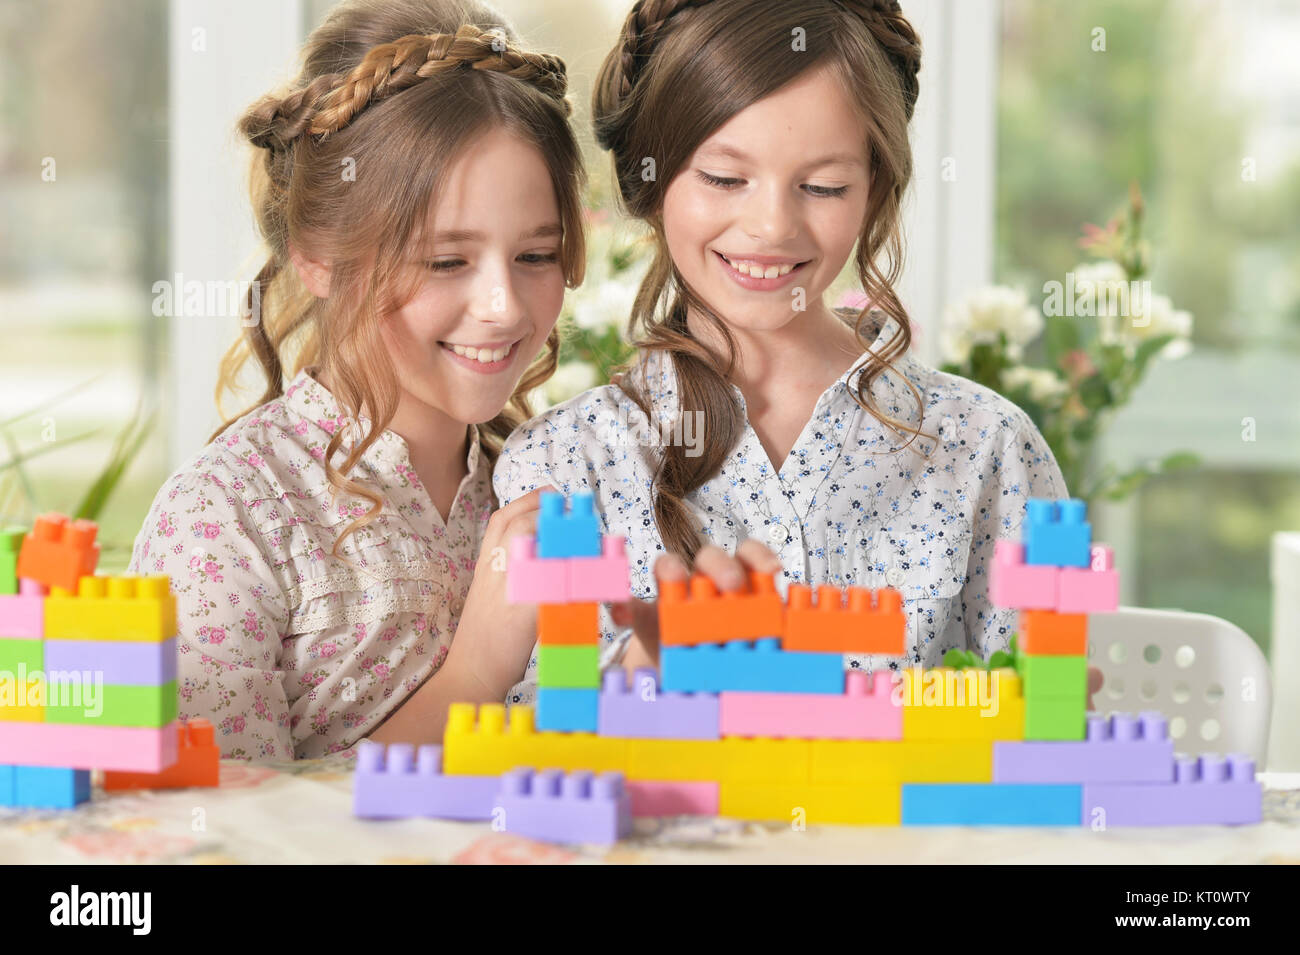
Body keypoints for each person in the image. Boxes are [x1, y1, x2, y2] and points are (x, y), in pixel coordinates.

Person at [494, 0, 1071, 704]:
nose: (771, 225)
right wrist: (642, 668)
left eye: (823, 186)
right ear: (650, 179)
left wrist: (1049, 711)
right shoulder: (562, 463)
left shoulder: (988, 450)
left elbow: (1041, 724)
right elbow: (526, 740)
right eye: (724, 178)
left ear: (875, 190)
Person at [129, 0, 586, 758]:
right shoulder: (226, 521)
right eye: (446, 261)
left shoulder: (546, 483)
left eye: (537, 255)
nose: (505, 307)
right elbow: (228, 833)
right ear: (318, 255)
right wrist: (475, 668)